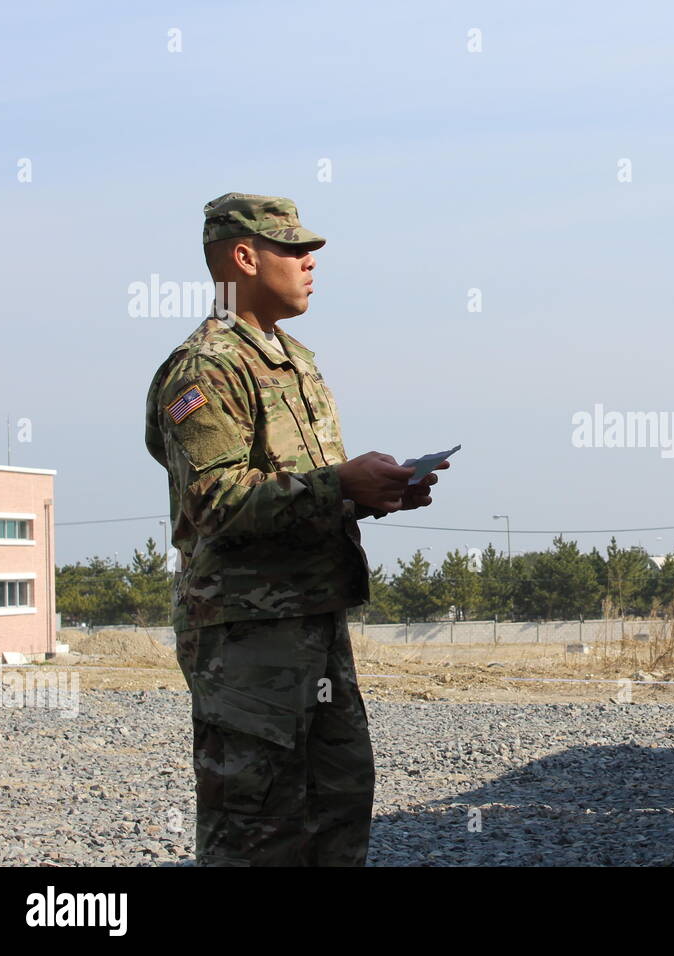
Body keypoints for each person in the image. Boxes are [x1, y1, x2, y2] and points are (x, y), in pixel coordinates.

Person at [143, 192, 448, 865]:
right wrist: (340, 484)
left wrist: (372, 494)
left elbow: (293, 493)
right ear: (245, 257)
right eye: (294, 248)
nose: (312, 261)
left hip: (314, 623)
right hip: (248, 639)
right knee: (257, 829)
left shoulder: (293, 362)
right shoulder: (208, 368)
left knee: (336, 810)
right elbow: (214, 501)